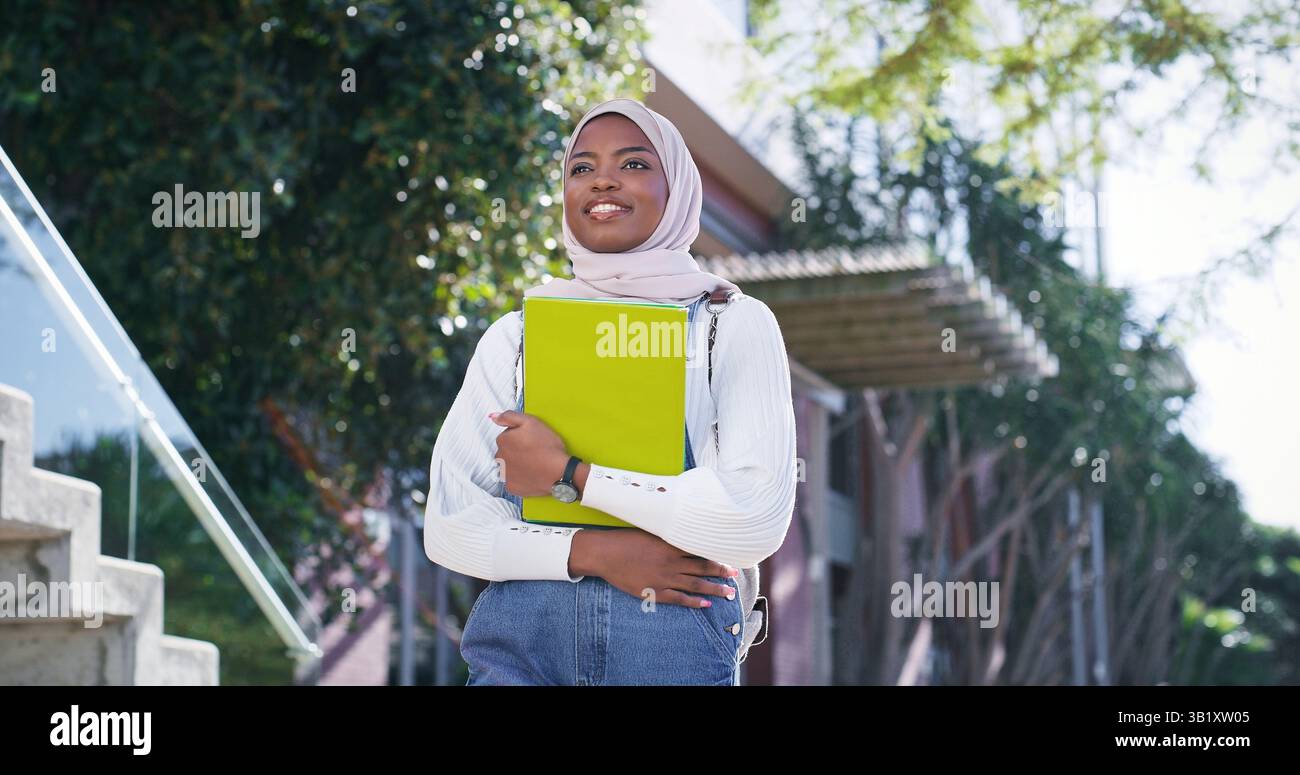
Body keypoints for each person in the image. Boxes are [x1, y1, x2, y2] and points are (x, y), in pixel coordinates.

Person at [423, 96, 797, 685]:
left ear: (676, 191)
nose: (603, 179)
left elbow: (752, 523)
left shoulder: (730, 324)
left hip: (672, 647)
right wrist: (596, 553)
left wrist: (571, 474)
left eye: (634, 164)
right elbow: (450, 529)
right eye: (581, 167)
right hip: (524, 650)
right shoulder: (517, 337)